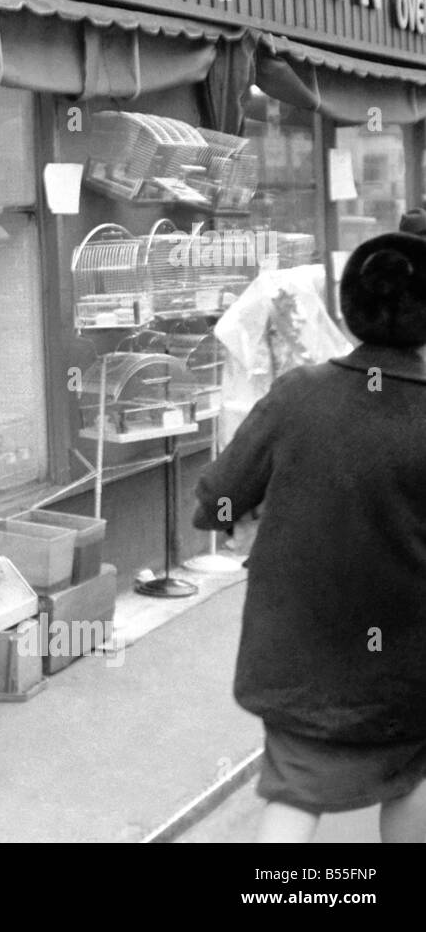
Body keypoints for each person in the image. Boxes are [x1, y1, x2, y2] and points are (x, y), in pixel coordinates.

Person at [193, 231, 426, 843]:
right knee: (408, 777)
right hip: (406, 660)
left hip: (299, 653)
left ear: (347, 310)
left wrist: (232, 518)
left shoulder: (299, 393)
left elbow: (221, 492)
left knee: (295, 788)